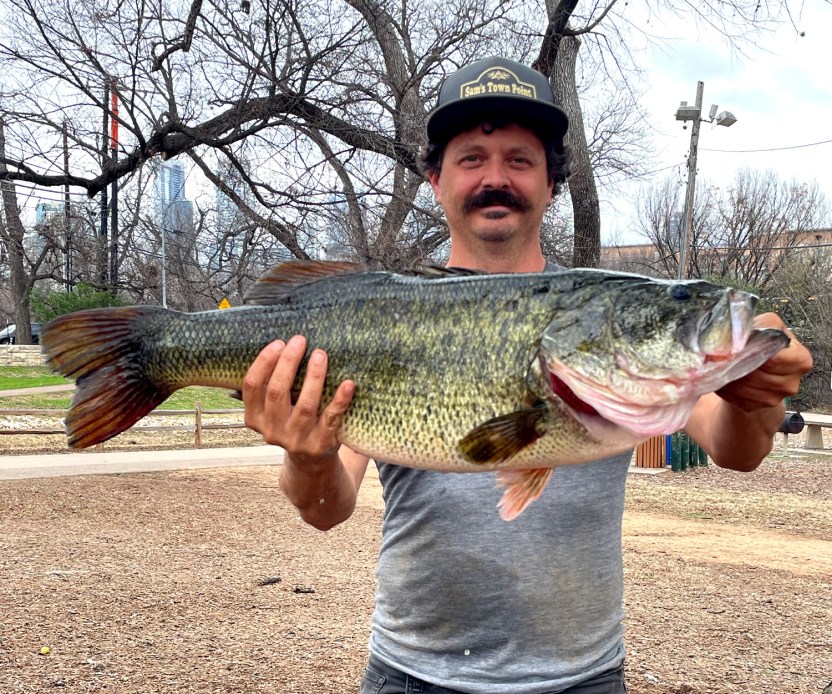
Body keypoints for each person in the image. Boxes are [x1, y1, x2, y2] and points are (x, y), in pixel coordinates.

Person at [242, 57, 813, 694]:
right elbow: (325, 511)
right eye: (471, 158)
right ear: (435, 178)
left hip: (584, 677)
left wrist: (758, 389)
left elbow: (738, 449)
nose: (495, 177)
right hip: (411, 675)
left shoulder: (608, 322)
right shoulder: (380, 315)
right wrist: (309, 456)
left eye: (519, 159)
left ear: (550, 183)